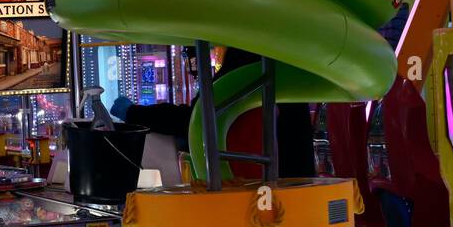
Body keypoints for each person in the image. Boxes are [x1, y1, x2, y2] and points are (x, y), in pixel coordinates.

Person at [111, 46, 317, 178]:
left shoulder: (245, 60)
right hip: (290, 180)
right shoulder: (271, 58)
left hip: (264, 186)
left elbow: (195, 120)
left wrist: (133, 113)